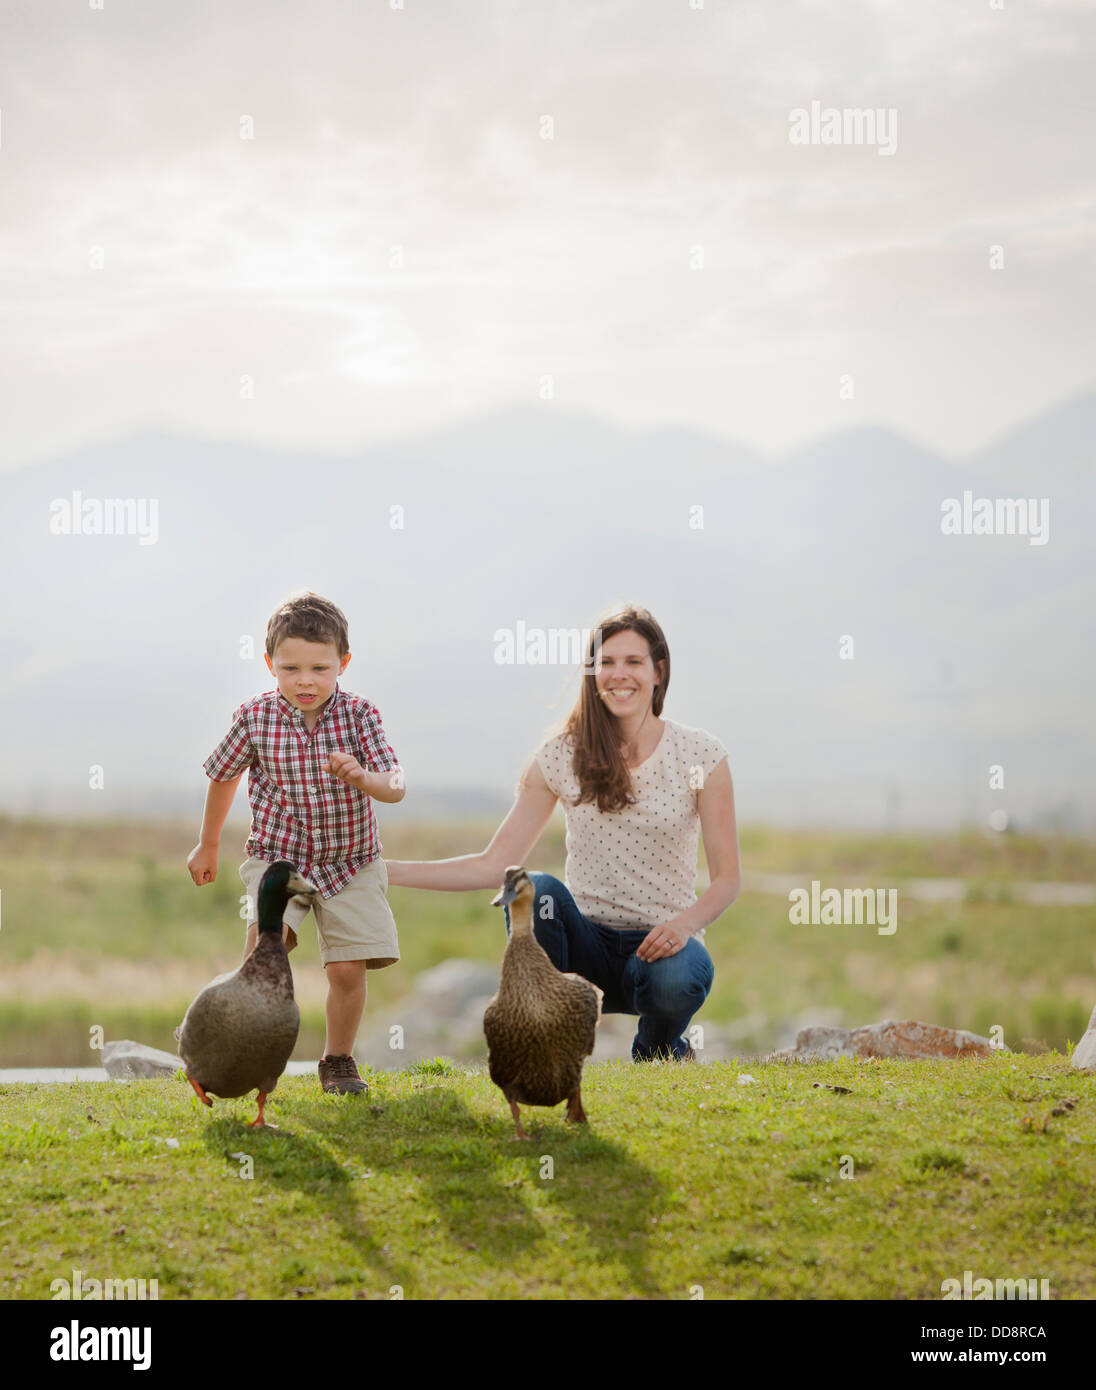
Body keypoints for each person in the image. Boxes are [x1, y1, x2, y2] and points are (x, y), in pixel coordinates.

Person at [386, 605, 740, 1061]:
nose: (618, 675)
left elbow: (727, 879)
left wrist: (683, 926)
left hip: (661, 947)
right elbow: (494, 865)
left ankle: (659, 1049)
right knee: (538, 890)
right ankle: (556, 1049)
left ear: (659, 671)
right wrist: (385, 870)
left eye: (633, 662)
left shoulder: (700, 755)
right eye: (605, 663)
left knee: (678, 976)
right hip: (583, 945)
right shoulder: (562, 755)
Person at [186, 591, 405, 1096]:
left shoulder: (360, 716)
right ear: (269, 664)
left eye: (319, 668)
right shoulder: (255, 717)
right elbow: (222, 776)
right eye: (290, 668)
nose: (305, 680)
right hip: (277, 858)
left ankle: (338, 1060)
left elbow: (395, 785)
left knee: (347, 968)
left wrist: (365, 778)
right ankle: (234, 1052)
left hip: (350, 863)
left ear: (343, 664)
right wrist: (208, 844)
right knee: (264, 953)